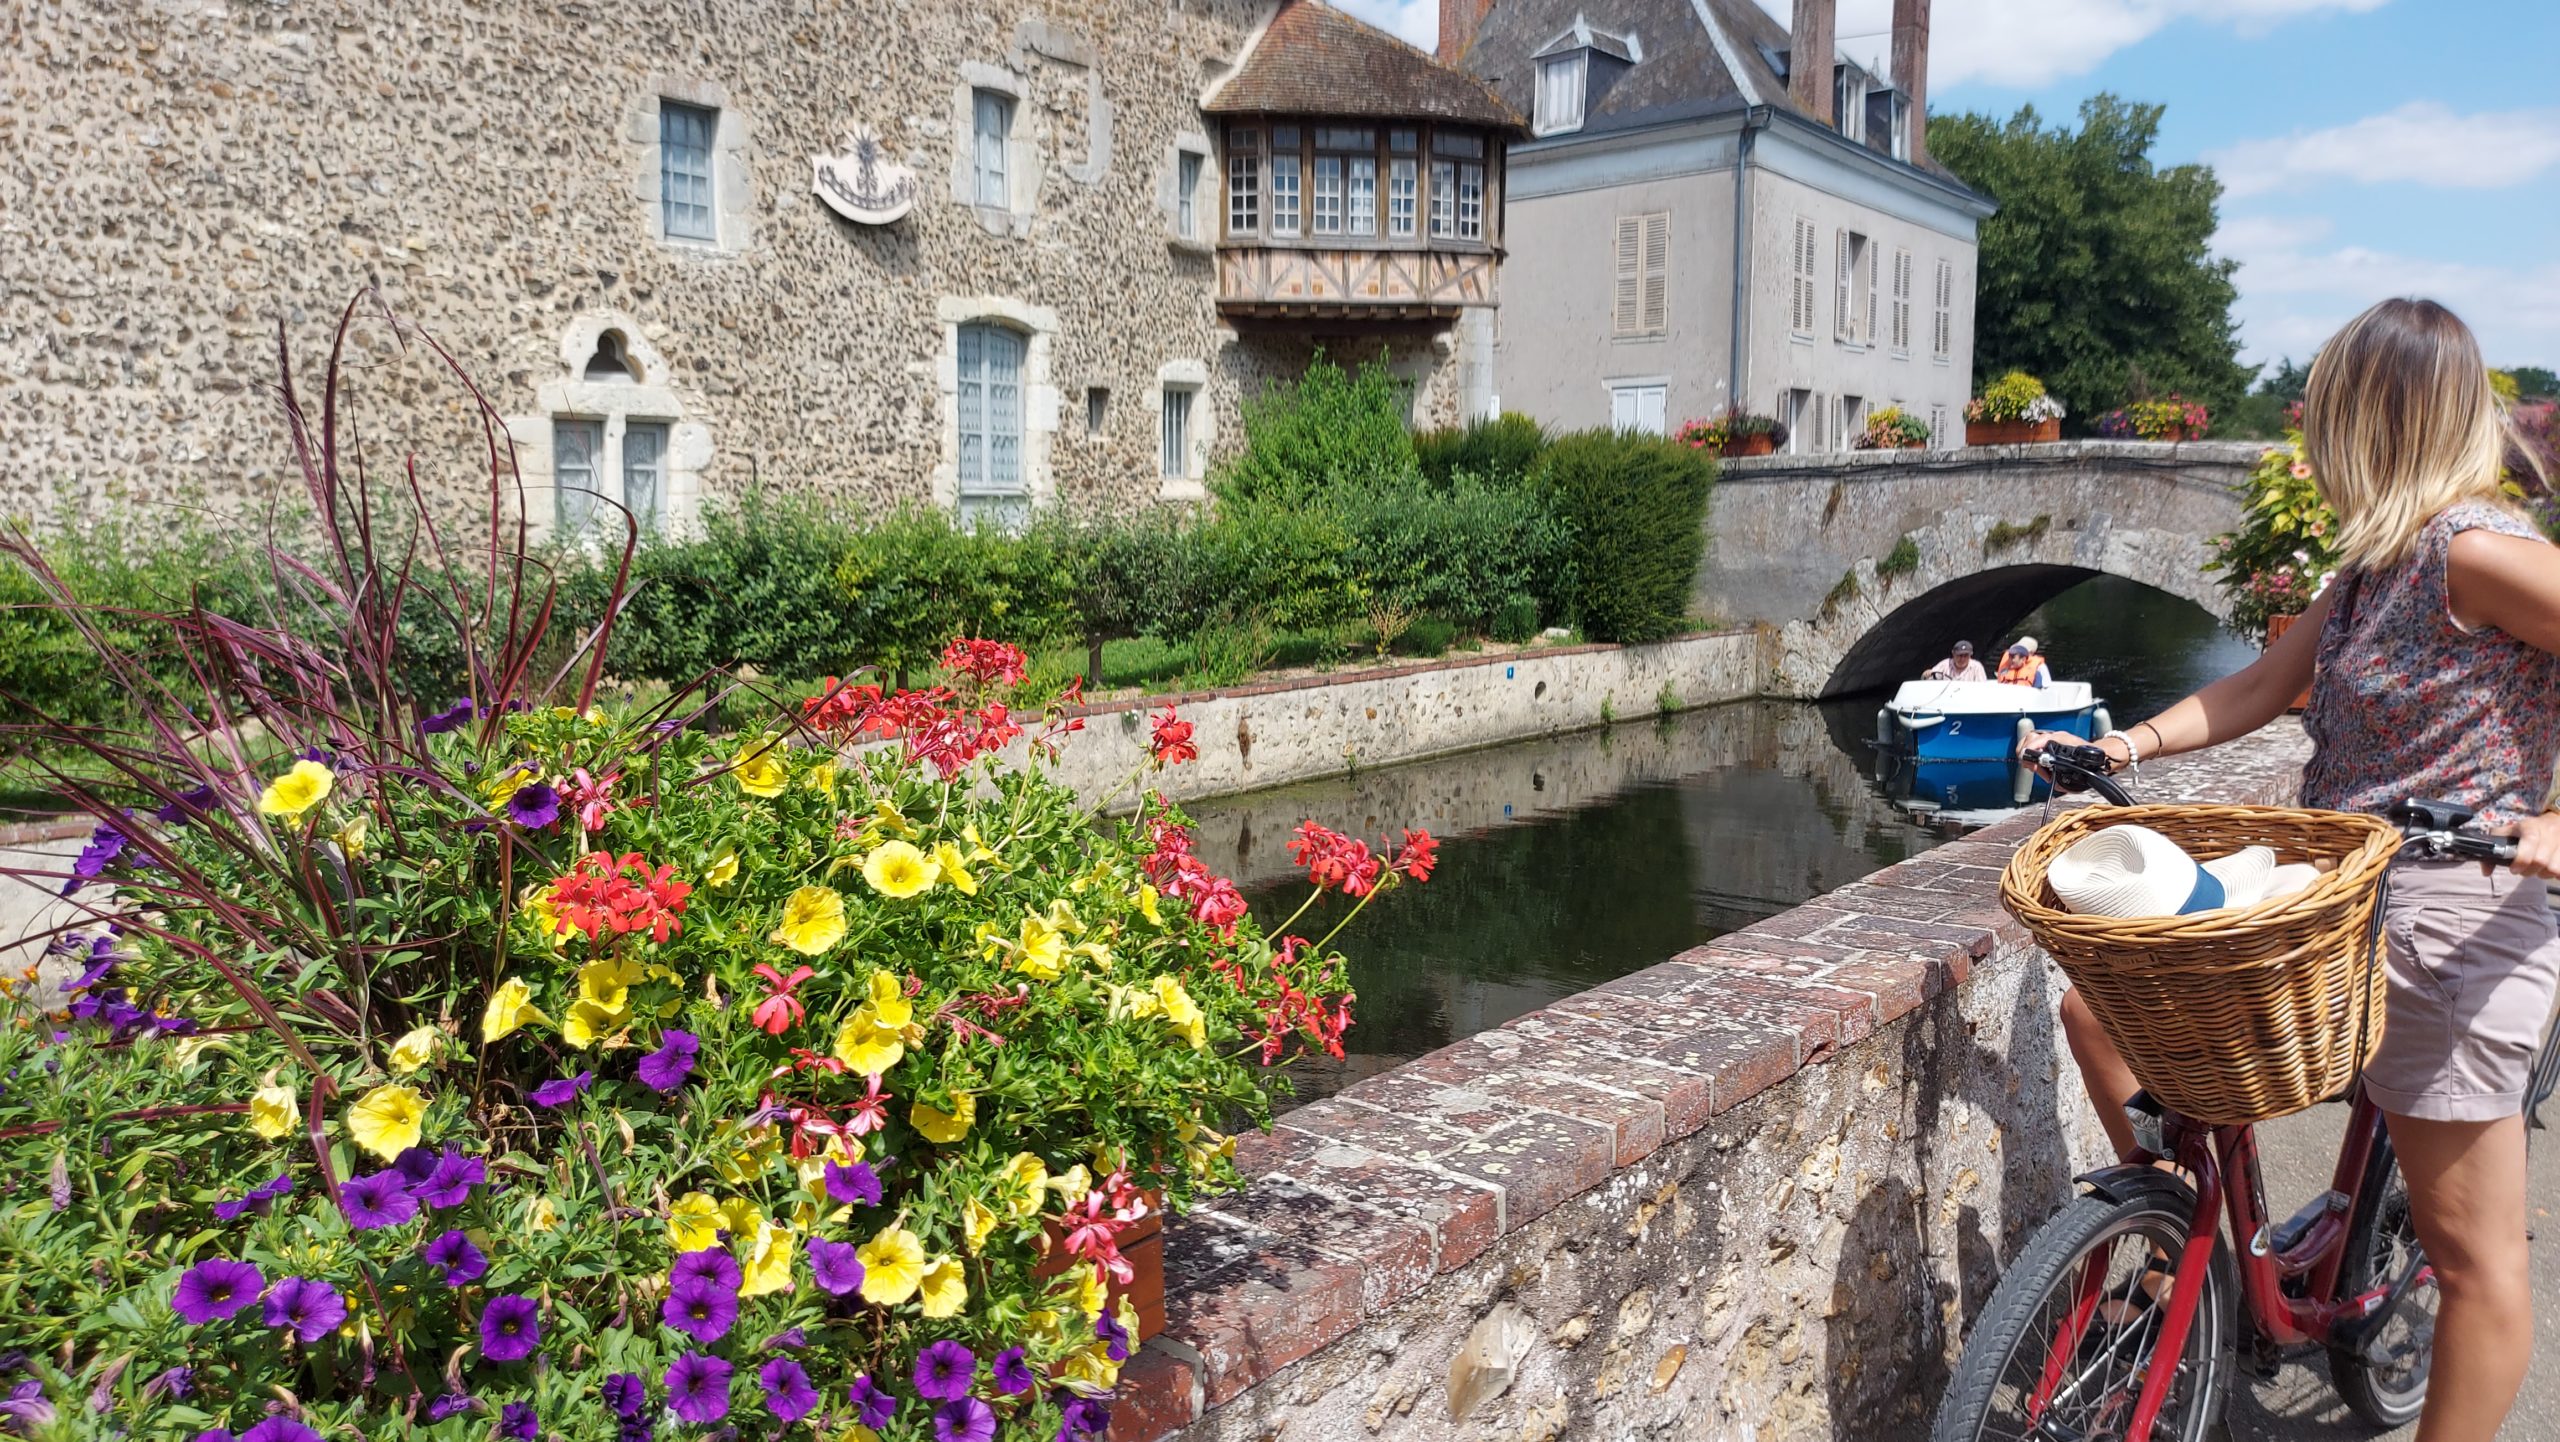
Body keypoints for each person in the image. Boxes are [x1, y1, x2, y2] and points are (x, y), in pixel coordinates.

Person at [2023, 298, 2560, 1442]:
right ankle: (2183, 1243)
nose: (2303, 438)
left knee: (2472, 1256)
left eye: (2322, 413)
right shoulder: (2374, 566)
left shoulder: (2478, 551)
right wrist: (2126, 743)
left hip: (2458, 920)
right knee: (2104, 1007)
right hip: (2344, 902)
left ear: (2378, 420)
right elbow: (2259, 687)